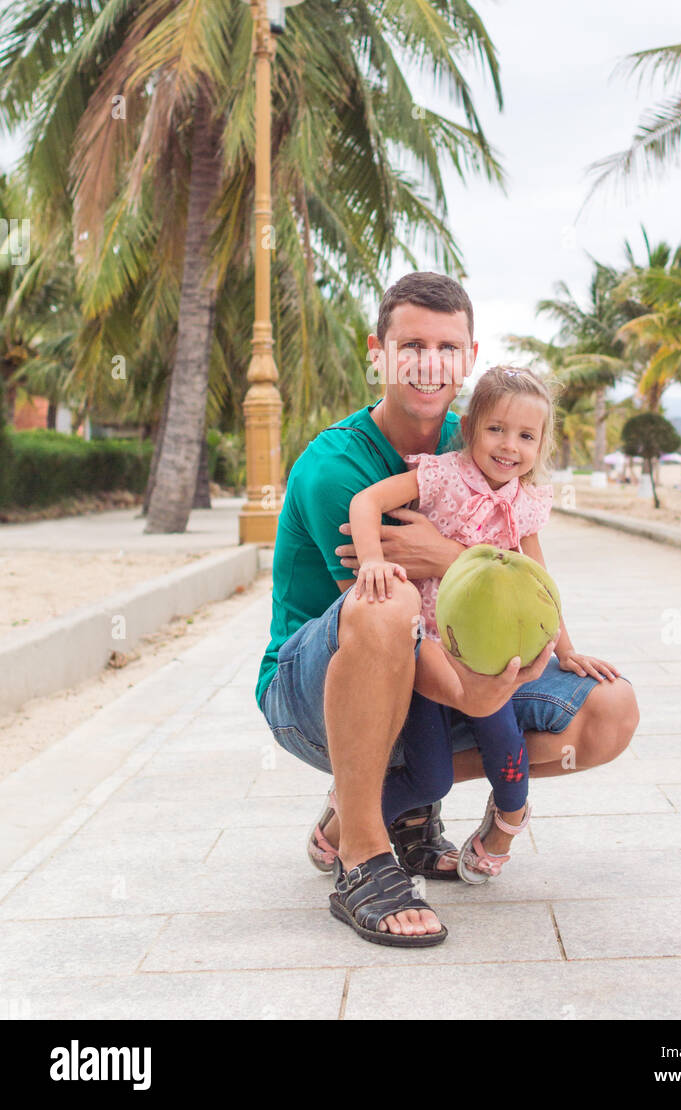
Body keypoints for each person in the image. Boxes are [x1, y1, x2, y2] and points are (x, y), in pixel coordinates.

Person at [255, 271, 639, 948]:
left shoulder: (488, 442)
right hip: (316, 693)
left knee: (609, 713)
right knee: (388, 598)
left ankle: (372, 798)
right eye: (410, 345)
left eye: (446, 346)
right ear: (378, 352)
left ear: (468, 357)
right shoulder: (337, 466)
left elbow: (518, 568)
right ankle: (363, 855)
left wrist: (536, 640)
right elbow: (390, 613)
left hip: (443, 676)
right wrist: (475, 687)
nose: (429, 362)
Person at [347, 365, 620, 885]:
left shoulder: (526, 505)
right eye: (496, 429)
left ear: (542, 445)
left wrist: (567, 650)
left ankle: (508, 821)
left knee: (508, 757)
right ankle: (355, 818)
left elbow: (538, 586)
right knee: (430, 779)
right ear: (470, 427)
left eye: (526, 435)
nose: (508, 446)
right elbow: (366, 502)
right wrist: (372, 561)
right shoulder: (444, 476)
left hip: (495, 663)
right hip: (427, 656)